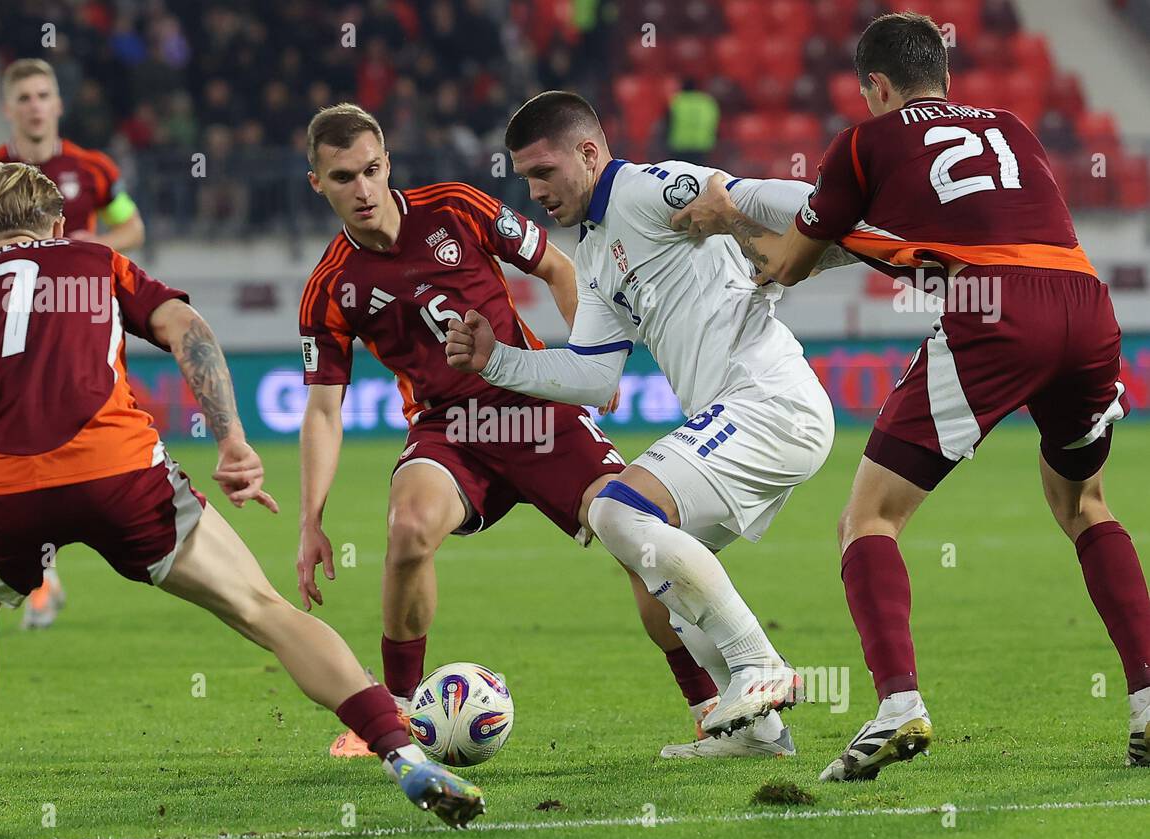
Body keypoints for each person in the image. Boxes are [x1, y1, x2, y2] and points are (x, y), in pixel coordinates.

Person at [0, 162, 484, 839]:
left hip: (5, 496)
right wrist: (230, 440)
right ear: (56, 224)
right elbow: (186, 328)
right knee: (264, 610)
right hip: (120, 474)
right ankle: (402, 756)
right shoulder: (96, 260)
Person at [674, 12, 1150, 778]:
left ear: (877, 86)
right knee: (1087, 504)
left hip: (998, 312)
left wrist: (729, 215)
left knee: (869, 516)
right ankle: (1149, 703)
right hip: (1087, 305)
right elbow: (968, 232)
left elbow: (791, 262)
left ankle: (899, 706)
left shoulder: (865, 141)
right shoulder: (1011, 126)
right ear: (947, 77)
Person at [297, 103, 728, 759]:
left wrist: (593, 359)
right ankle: (396, 714)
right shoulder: (332, 286)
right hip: (450, 428)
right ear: (317, 184)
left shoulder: (455, 208)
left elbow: (558, 268)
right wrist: (311, 520)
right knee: (408, 530)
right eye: (342, 178)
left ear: (388, 165)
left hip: (535, 405)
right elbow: (324, 410)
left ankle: (709, 706)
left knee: (636, 533)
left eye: (371, 170)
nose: (361, 189)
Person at [446, 90, 852, 751]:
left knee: (614, 510)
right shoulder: (596, 254)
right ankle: (760, 732)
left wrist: (834, 216)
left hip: (768, 401)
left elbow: (753, 195)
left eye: (544, 171)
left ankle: (759, 666)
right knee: (653, 574)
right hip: (744, 414)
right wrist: (497, 361)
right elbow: (594, 377)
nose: (536, 190)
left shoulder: (643, 188)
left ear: (588, 152)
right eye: (525, 177)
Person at [0, 58, 148, 630]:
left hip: (78, 335)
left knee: (89, 434)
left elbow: (132, 226)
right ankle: (43, 575)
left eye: (43, 95)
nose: (35, 106)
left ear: (58, 103)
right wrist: (20, 262)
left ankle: (79, 555)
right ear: (9, 109)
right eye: (24, 97)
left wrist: (87, 245)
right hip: (12, 339)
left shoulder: (94, 168)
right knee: (19, 440)